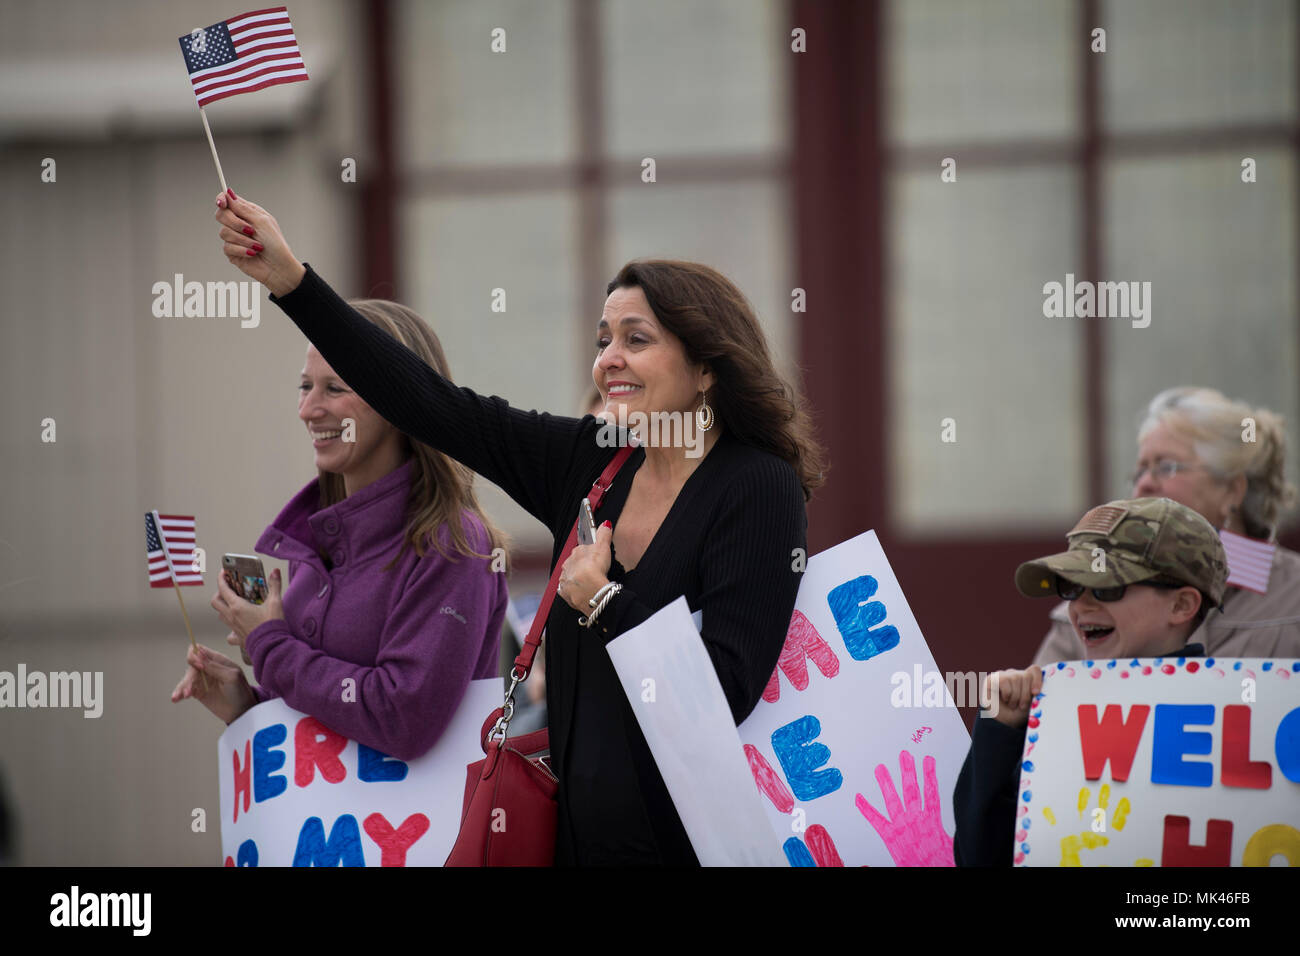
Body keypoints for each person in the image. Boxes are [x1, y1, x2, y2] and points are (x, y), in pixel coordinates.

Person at [210, 187, 824, 865]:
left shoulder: (756, 486)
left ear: (707, 365)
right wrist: (294, 284)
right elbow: (437, 406)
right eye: (603, 340)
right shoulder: (592, 463)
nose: (608, 359)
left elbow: (724, 691)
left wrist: (605, 600)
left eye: (636, 339)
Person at [171, 298, 509, 762]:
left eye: (335, 388)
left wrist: (270, 645)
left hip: (429, 836)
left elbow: (403, 719)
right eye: (305, 386)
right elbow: (328, 716)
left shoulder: (455, 544)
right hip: (326, 837)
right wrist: (246, 705)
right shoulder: (321, 543)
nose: (309, 409)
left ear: (400, 401)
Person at [953, 496, 1228, 866]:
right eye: (1070, 586)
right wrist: (999, 732)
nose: (1081, 606)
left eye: (1107, 588)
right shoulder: (1053, 710)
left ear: (1181, 606)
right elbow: (980, 858)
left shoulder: (1235, 714)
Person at [1034, 387, 1299, 663]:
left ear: (1232, 489)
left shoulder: (1293, 597)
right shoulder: (1087, 608)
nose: (1144, 483)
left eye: (1167, 467)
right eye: (1140, 470)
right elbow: (1034, 703)